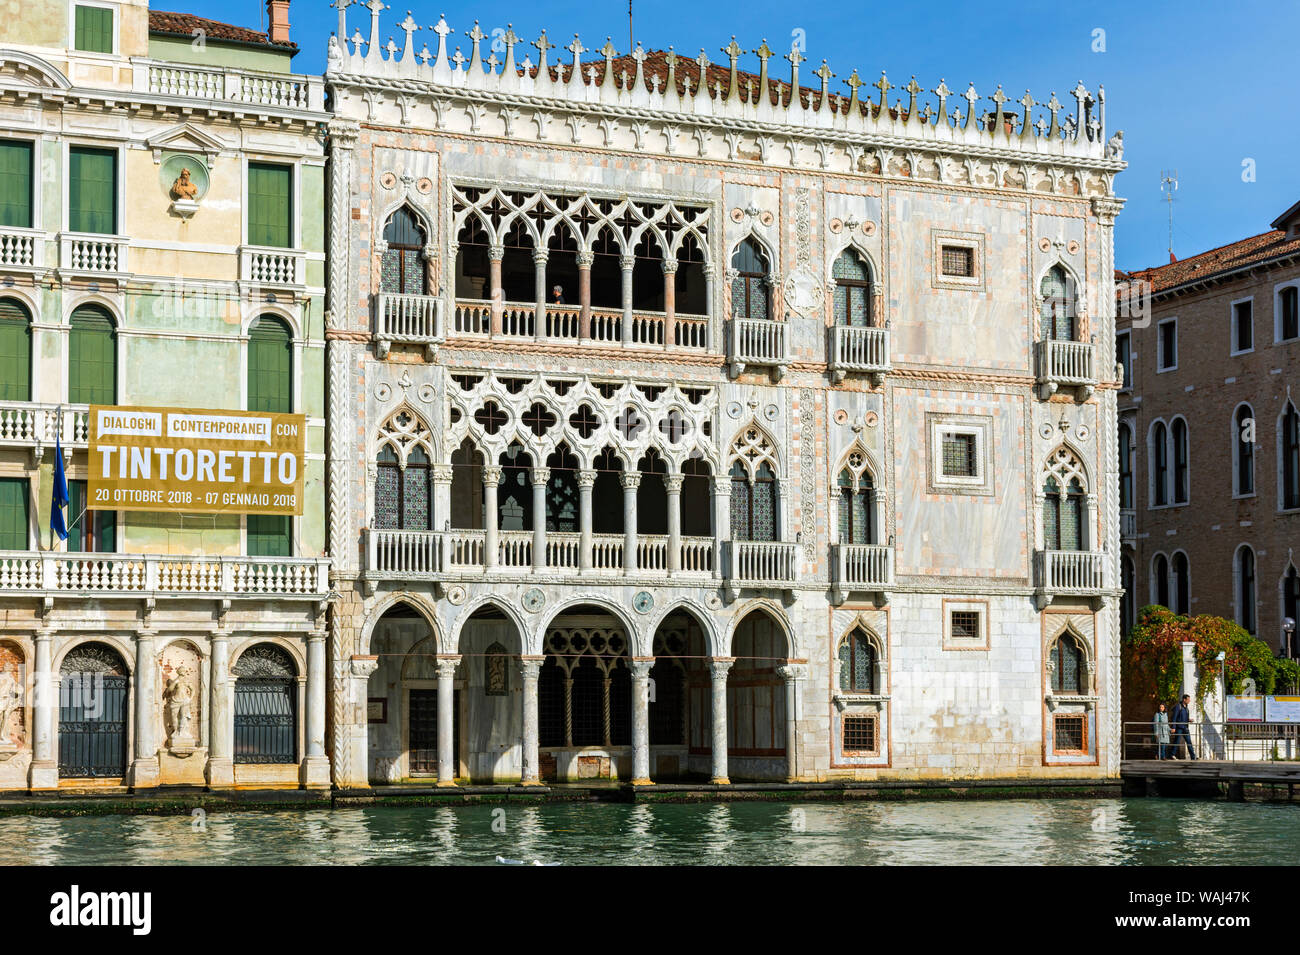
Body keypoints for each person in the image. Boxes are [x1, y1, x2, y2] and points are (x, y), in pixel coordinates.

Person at [1170, 693, 1197, 760]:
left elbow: (1184, 717)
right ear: (1184, 700)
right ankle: (1172, 754)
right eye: (1188, 699)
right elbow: (1174, 718)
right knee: (1177, 741)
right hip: (1179, 727)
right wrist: (1173, 727)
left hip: (1185, 727)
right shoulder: (1178, 707)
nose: (1189, 701)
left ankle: (1193, 757)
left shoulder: (1186, 708)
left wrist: (1189, 720)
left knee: (1189, 742)